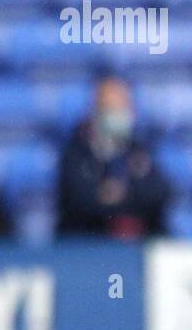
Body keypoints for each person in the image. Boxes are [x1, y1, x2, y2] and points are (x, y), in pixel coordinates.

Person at [56, 76, 170, 239]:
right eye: (110, 108)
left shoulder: (140, 150)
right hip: (87, 246)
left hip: (137, 245)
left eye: (122, 107)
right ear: (95, 111)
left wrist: (116, 195)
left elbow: (159, 195)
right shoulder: (76, 152)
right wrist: (129, 198)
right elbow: (81, 201)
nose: (116, 114)